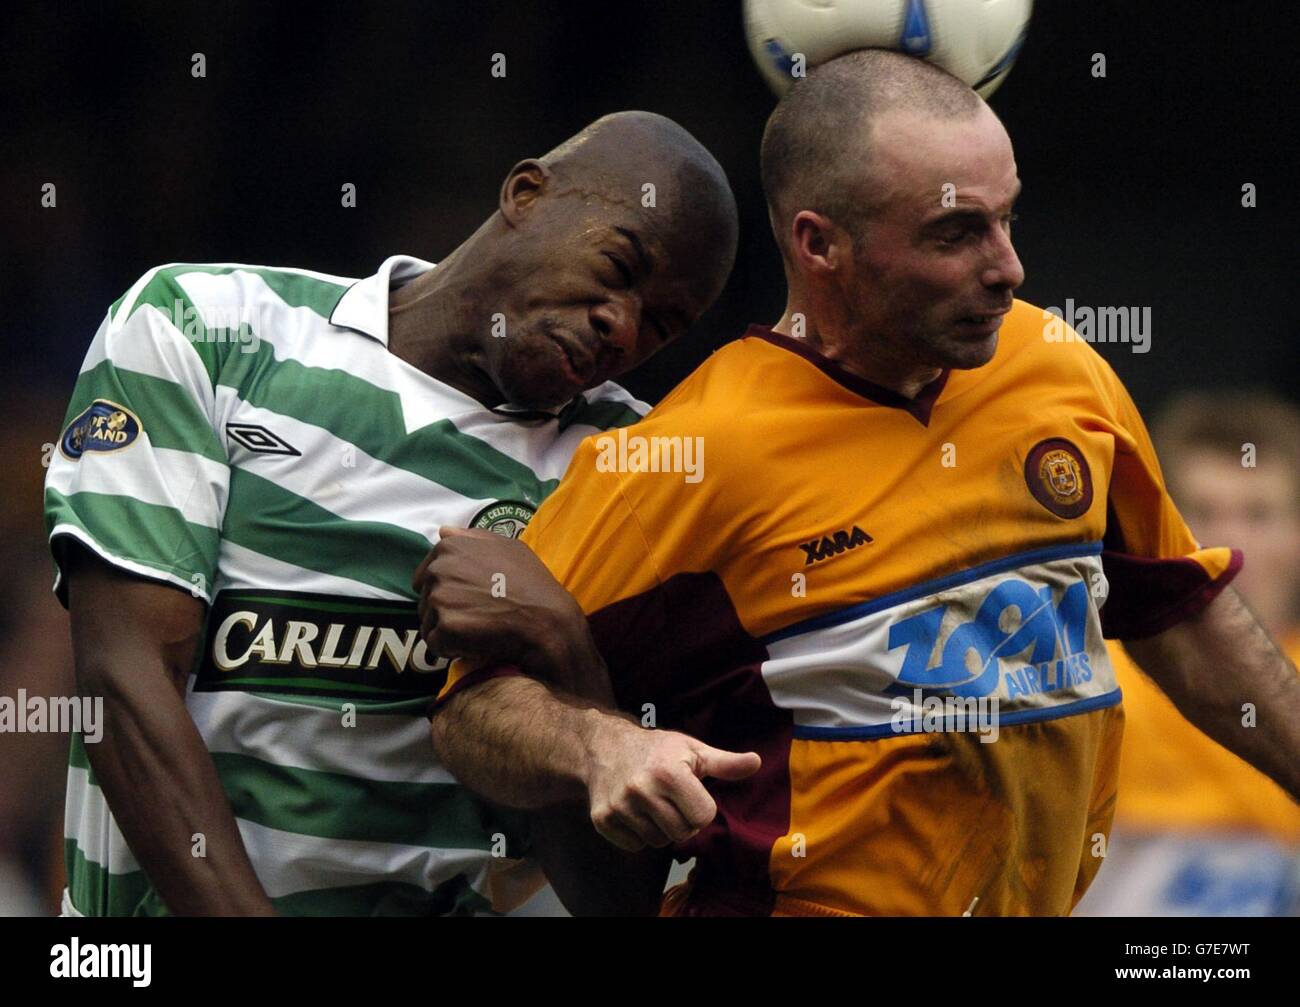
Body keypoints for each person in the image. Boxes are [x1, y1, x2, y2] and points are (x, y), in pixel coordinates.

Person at [419, 51, 1300, 916]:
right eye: (956, 233)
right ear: (821, 245)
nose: (1008, 268)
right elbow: (474, 708)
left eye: (1009, 219)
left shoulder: (1057, 366)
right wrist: (599, 744)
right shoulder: (691, 451)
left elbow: (1178, 606)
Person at [43, 110, 739, 916]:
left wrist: (562, 645)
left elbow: (616, 899)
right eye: (619, 265)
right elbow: (123, 678)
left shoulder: (630, 462)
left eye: (662, 323)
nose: (622, 324)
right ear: (525, 193)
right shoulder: (207, 328)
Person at [1076, 391, 1300, 916]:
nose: (1231, 545)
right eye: (1202, 513)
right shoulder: (1090, 681)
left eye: (1260, 514)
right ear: (1156, 529)